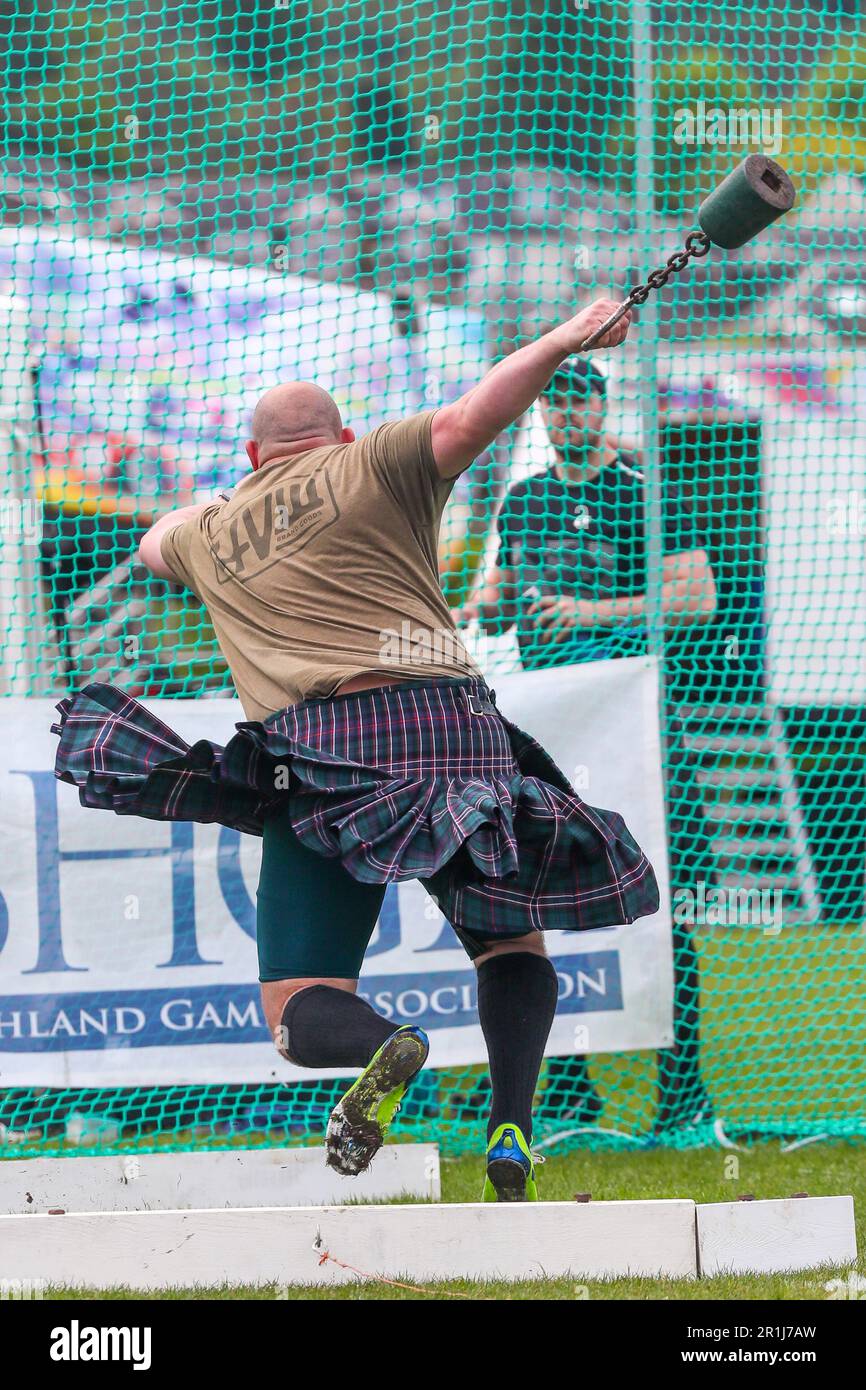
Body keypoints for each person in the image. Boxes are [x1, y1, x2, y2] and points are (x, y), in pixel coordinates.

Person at [53, 298, 660, 1202]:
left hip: (323, 757)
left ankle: (385, 1045)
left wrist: (232, 500)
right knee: (509, 943)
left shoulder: (206, 532)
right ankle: (512, 1127)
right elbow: (476, 416)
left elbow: (147, 542)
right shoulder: (375, 462)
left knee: (298, 1005)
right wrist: (566, 337)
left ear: (254, 458)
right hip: (459, 731)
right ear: (343, 432)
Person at [463, 356, 717, 1133]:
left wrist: (590, 611)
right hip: (556, 733)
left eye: (581, 403)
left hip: (635, 726)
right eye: (555, 405)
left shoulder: (640, 493)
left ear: (604, 409)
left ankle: (683, 1088)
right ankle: (568, 1083)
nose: (568, 416)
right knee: (545, 895)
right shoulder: (526, 499)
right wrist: (481, 606)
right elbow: (499, 597)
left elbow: (696, 599)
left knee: (665, 899)